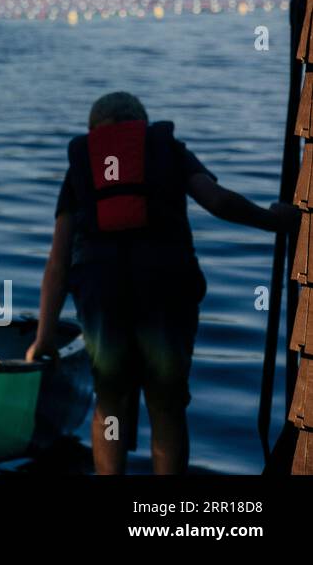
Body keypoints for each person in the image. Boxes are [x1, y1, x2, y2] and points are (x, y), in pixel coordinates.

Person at [26, 91, 300, 474]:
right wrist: (276, 221)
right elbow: (218, 201)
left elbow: (57, 262)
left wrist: (44, 335)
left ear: (93, 130)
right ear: (142, 124)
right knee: (166, 406)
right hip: (166, 292)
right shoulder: (167, 149)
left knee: (111, 403)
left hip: (103, 297)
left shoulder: (82, 165)